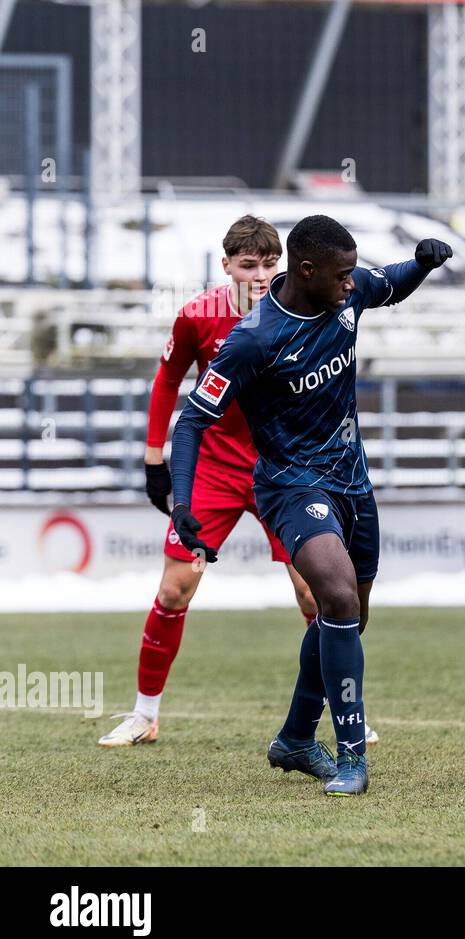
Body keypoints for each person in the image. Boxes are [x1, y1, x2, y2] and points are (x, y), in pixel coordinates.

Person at [167, 214, 452, 796]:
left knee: (348, 617)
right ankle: (352, 758)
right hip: (292, 485)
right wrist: (182, 500)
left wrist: (422, 263)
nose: (353, 283)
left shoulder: (346, 295)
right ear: (307, 271)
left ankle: (296, 737)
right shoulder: (254, 338)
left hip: (353, 481)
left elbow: (389, 282)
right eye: (343, 274)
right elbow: (193, 420)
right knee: (339, 595)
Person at [97, 216, 384, 749]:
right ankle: (144, 713)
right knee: (175, 587)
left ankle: (339, 711)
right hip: (216, 469)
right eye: (248, 264)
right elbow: (167, 383)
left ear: (288, 265)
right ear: (226, 265)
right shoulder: (198, 318)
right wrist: (153, 457)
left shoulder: (314, 309)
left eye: (268, 263)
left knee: (316, 591)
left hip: (287, 471)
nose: (259, 274)